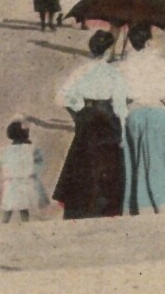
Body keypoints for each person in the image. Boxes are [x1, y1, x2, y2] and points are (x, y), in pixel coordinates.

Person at [52, 31, 130, 220]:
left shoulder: (81, 70)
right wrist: (123, 130)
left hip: (87, 118)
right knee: (106, 163)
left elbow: (61, 97)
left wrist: (79, 111)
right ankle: (104, 208)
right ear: (109, 50)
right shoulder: (114, 73)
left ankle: (80, 206)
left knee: (83, 160)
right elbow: (120, 106)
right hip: (107, 119)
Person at [117, 25, 165, 214]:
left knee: (136, 164)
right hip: (160, 115)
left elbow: (117, 99)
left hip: (135, 115)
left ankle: (141, 207)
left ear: (131, 43)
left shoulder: (122, 67)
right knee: (163, 162)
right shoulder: (164, 65)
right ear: (149, 42)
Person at [0, 122, 48, 223]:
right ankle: (26, 228)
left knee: (8, 209)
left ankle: (2, 228)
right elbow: (40, 162)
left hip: (11, 184)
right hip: (26, 182)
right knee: (24, 209)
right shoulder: (32, 148)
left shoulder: (6, 150)